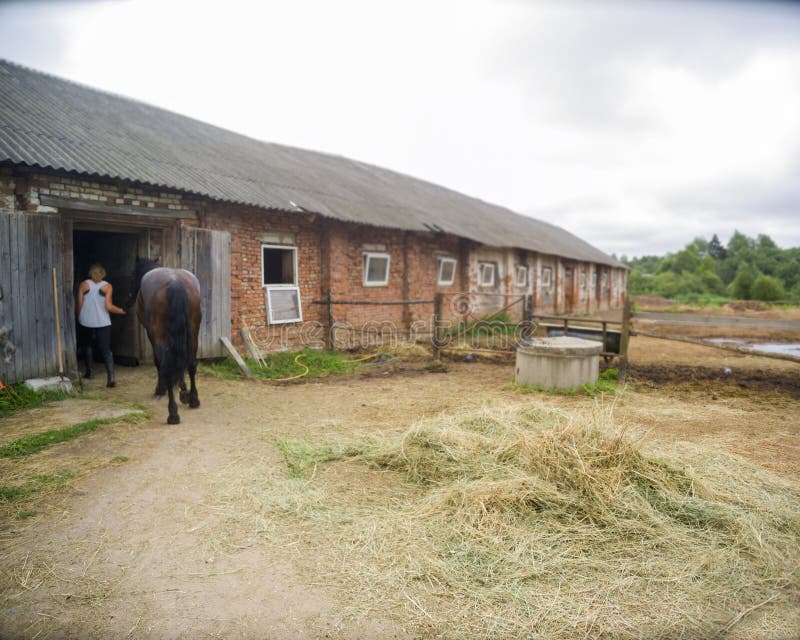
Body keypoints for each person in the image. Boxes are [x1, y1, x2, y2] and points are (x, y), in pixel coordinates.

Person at [77, 263, 126, 387]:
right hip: (102, 321)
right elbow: (108, 307)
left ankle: (89, 372)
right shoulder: (107, 286)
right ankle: (111, 377)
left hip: (86, 321)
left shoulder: (83, 285)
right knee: (105, 350)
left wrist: (78, 316)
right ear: (103, 274)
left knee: (87, 346)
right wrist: (120, 310)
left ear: (90, 273)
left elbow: (79, 305)